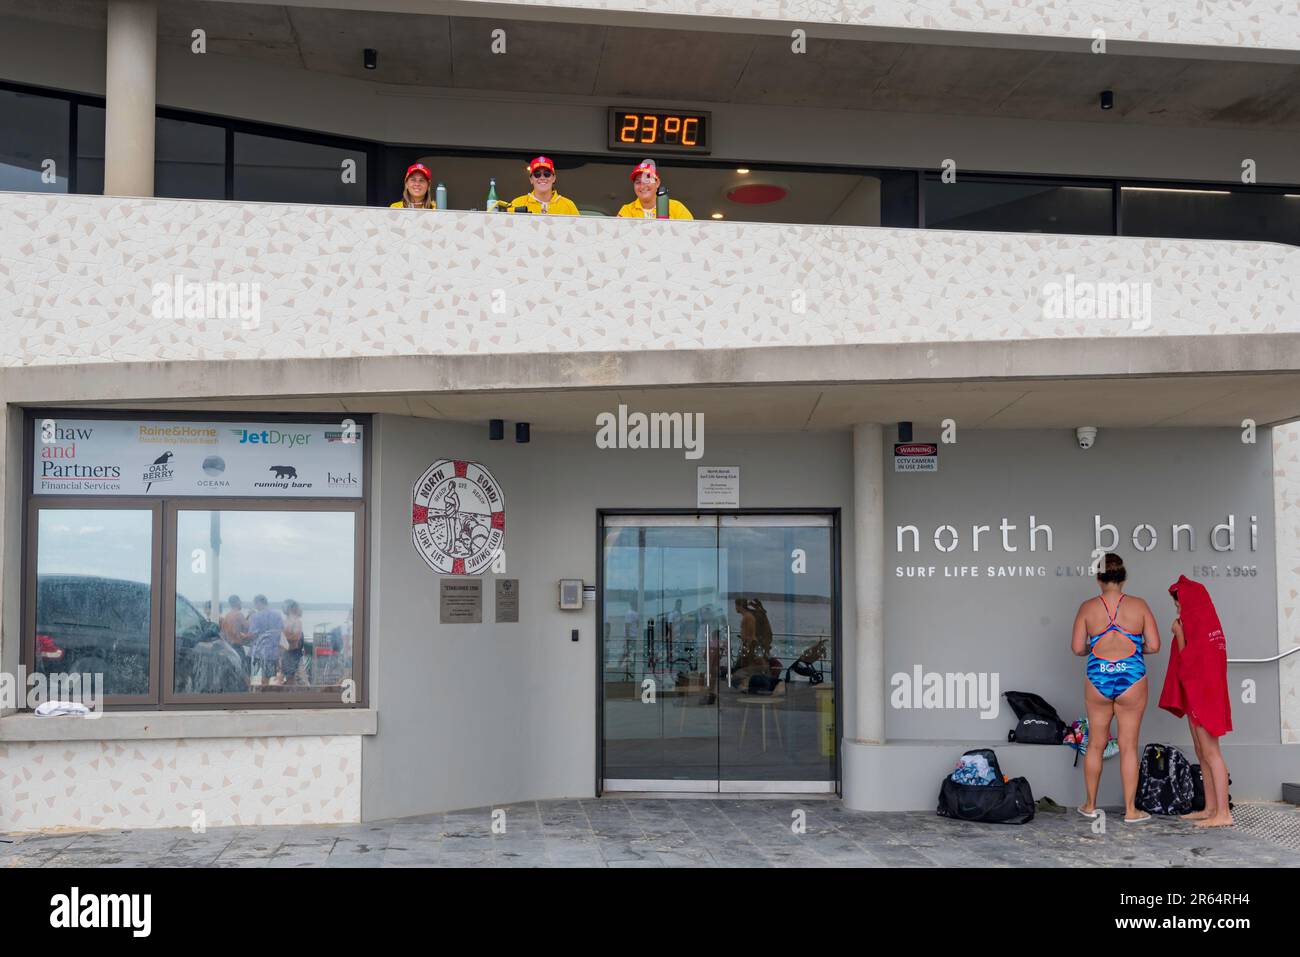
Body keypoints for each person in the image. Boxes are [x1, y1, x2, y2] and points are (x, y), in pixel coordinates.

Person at [1070, 553, 1161, 823]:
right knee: (1129, 746)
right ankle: (1132, 811)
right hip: (1131, 676)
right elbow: (1155, 645)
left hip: (1098, 677)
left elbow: (1077, 648)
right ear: (1124, 578)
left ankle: (1089, 805)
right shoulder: (1139, 605)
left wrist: (1096, 647)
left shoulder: (1087, 608)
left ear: (1098, 578)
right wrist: (1132, 649)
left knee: (1096, 744)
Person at [1160, 576, 1233, 827]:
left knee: (1212, 753)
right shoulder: (1202, 622)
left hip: (1204, 696)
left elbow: (1188, 662)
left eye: (1179, 604)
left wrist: (1179, 634)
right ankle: (1210, 807)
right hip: (1198, 694)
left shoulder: (1198, 625)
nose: (1178, 609)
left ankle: (1223, 813)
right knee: (1203, 752)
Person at [617, 159, 693, 220]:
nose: (642, 186)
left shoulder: (676, 208)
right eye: (638, 182)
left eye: (647, 180)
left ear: (657, 183)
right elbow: (616, 236)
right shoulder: (627, 210)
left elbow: (692, 234)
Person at [507, 156, 580, 215]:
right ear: (531, 179)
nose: (542, 177)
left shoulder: (568, 205)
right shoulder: (517, 203)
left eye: (547, 174)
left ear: (554, 178)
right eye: (537, 174)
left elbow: (578, 231)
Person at [246, 594, 284, 687]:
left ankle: (249, 695)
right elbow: (281, 632)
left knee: (247, 675)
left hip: (257, 652)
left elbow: (252, 634)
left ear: (259, 603)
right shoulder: (278, 615)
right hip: (272, 652)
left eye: (255, 604)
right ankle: (264, 696)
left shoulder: (256, 616)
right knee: (266, 679)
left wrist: (243, 635)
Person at [219, 594, 251, 674]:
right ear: (238, 602)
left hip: (228, 647)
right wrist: (252, 615)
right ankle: (246, 686)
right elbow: (247, 628)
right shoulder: (238, 614)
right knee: (244, 671)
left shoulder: (227, 615)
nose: (241, 604)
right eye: (240, 602)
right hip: (236, 647)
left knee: (232, 671)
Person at [280, 599, 308, 687]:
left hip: (293, 654)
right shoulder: (294, 622)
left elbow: (295, 638)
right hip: (291, 654)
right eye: (297, 608)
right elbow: (295, 637)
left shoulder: (290, 622)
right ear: (292, 609)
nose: (300, 610)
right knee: (293, 680)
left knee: (294, 680)